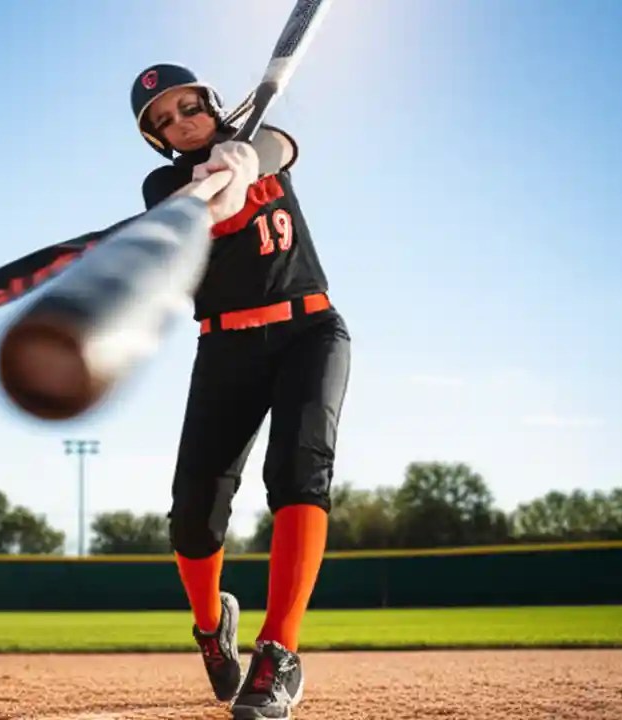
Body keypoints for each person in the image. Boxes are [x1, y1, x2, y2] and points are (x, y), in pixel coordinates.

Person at [130, 63, 353, 719]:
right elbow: (193, 221)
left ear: (210, 100)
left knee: (298, 471)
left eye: (184, 105)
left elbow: (283, 147)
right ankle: (209, 625)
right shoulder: (164, 185)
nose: (177, 121)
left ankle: (279, 652)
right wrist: (208, 194)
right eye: (162, 122)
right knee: (194, 515)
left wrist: (246, 158)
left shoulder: (260, 140)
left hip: (309, 329)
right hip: (225, 345)